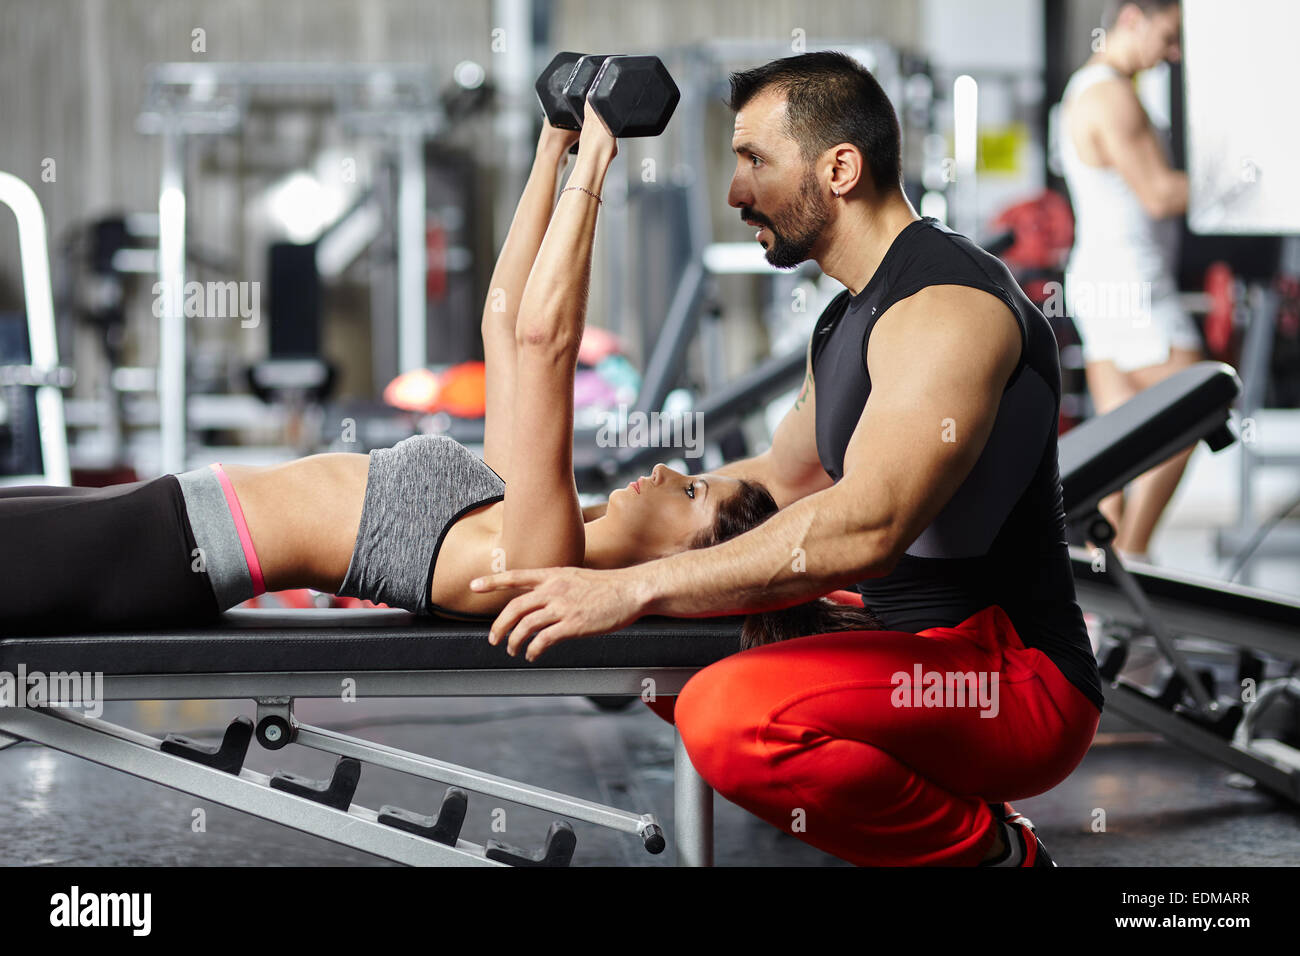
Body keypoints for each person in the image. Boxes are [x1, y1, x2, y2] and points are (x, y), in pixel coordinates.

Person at [471, 51, 1105, 867]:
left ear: (840, 168)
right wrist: (596, 534)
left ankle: (994, 854)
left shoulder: (949, 307)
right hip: (910, 646)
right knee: (678, 635)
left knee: (727, 713)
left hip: (1010, 680)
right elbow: (780, 477)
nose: (736, 194)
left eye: (754, 162)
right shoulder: (845, 320)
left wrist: (635, 586)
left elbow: (865, 525)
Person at [0, 94, 876, 648]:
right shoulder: (542, 517)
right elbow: (505, 327)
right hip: (173, 515)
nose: (665, 472)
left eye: (691, 496)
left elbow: (545, 346)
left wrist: (597, 169)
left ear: (692, 563)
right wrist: (552, 150)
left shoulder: (545, 552)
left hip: (176, 550)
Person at [1060, 0, 1202, 563]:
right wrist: (1254, 178)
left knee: (1118, 447)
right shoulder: (1111, 95)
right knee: (1197, 399)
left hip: (1104, 277)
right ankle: (1138, 557)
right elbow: (1161, 194)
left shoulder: (1090, 87)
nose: (1174, 53)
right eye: (1169, 36)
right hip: (1129, 281)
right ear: (1132, 17)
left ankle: (1110, 585)